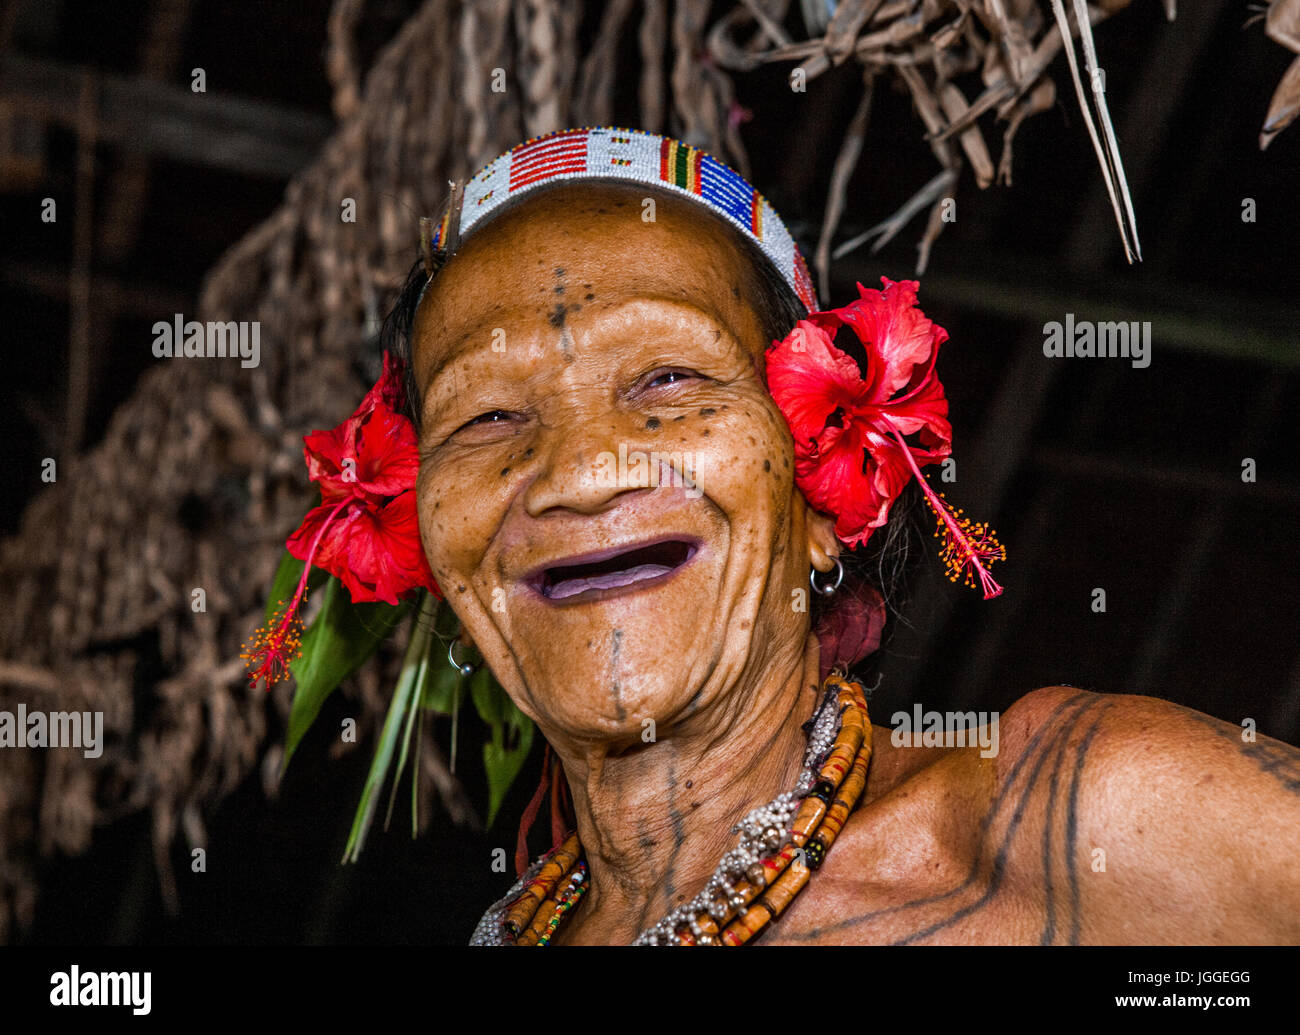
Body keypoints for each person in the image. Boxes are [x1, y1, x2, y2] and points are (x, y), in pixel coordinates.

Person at [392, 127, 1300, 945]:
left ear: (826, 492)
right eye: (487, 417)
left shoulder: (1071, 827)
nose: (579, 474)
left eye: (669, 377)